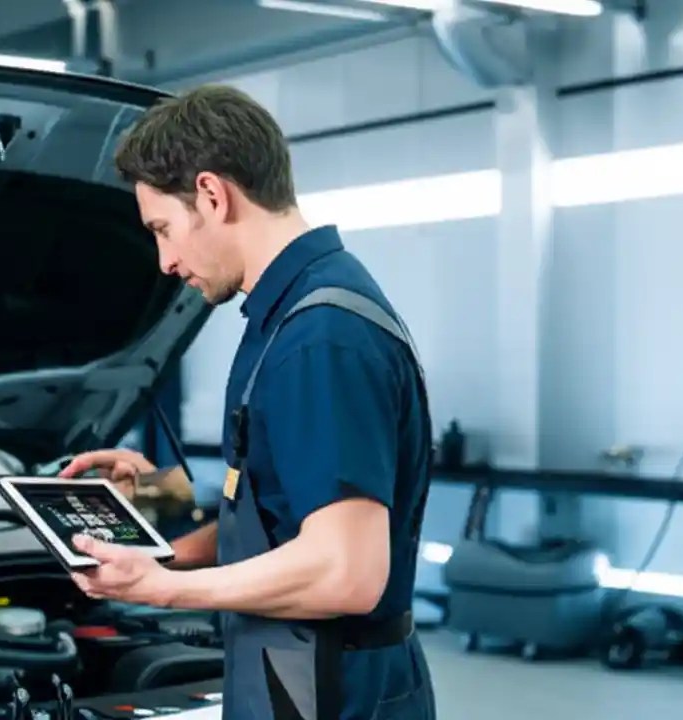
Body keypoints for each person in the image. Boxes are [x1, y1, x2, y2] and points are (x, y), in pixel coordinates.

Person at [58, 84, 437, 720]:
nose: (166, 261)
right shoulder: (288, 316)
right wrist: (155, 510)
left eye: (163, 229)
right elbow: (278, 506)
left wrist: (165, 589)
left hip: (332, 691)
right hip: (298, 676)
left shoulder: (321, 339)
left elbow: (346, 570)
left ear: (212, 194)